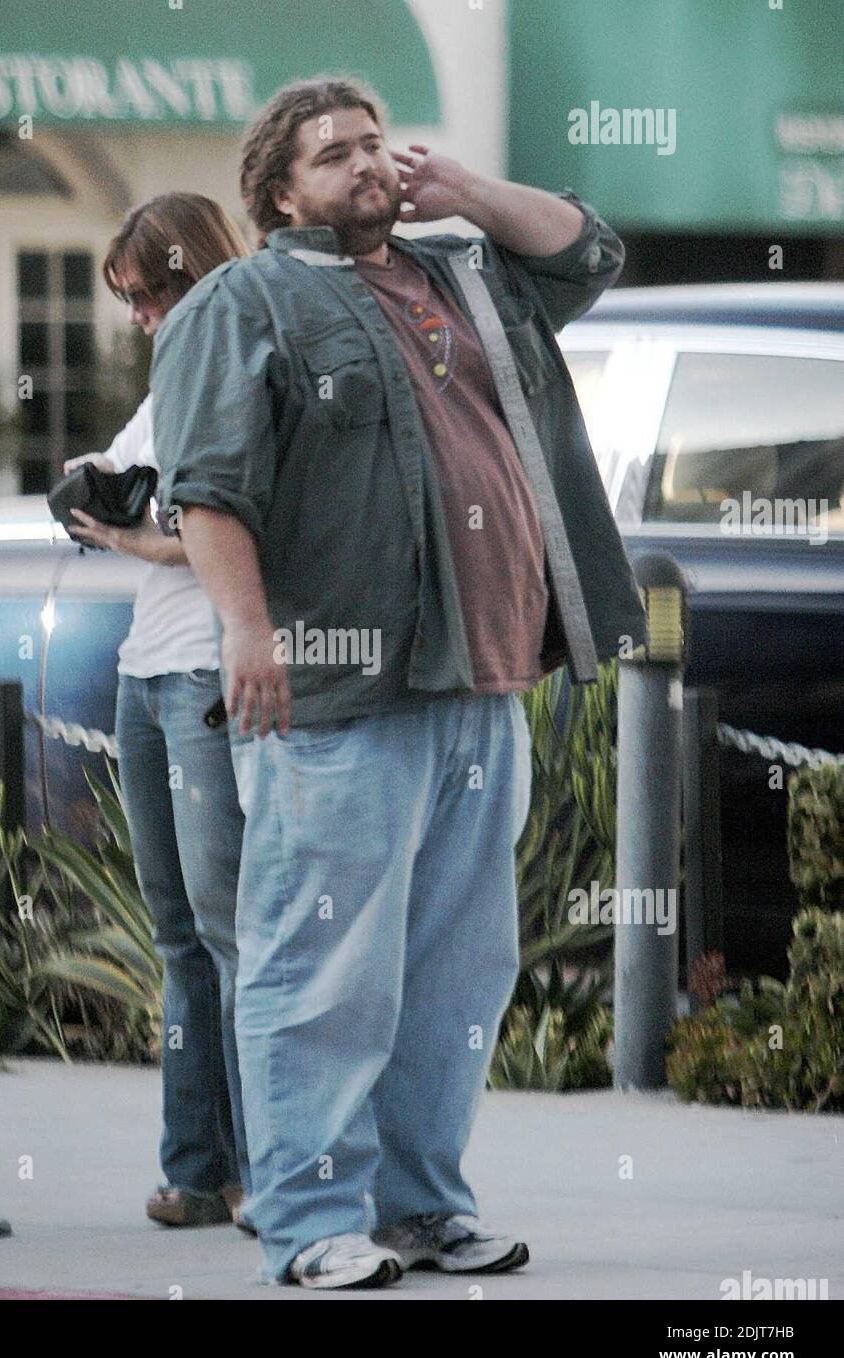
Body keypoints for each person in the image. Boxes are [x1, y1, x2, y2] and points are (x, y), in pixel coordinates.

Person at [152, 77, 647, 1289]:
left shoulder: (468, 274)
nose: (367, 164)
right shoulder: (243, 299)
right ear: (280, 192)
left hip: (483, 680)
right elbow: (208, 489)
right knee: (317, 965)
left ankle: (423, 1205)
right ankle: (312, 1219)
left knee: (456, 969)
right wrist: (248, 632)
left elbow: (591, 250)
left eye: (377, 145)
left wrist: (465, 188)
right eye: (335, 155)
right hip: (337, 695)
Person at [64, 193, 252, 1232]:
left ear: (189, 275)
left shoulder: (225, 359)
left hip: (201, 668)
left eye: (144, 293)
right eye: (128, 301)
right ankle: (196, 1170)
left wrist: (121, 529)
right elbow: (131, 480)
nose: (137, 316)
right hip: (151, 667)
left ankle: (260, 1172)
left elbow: (204, 523)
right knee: (180, 935)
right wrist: (97, 495)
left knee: (229, 932)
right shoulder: (172, 369)